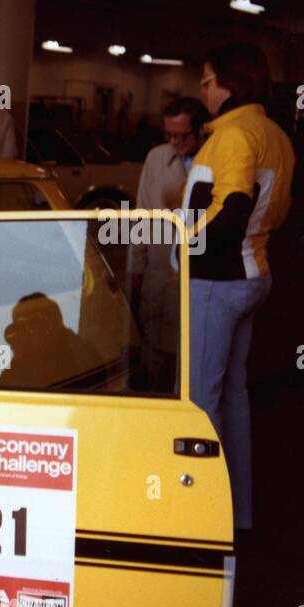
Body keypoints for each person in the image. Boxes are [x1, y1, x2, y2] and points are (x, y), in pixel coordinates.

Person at [183, 42, 295, 530]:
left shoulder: (231, 136)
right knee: (233, 397)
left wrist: (182, 249)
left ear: (230, 84)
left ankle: (203, 523)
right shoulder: (273, 133)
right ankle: (237, 514)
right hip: (252, 275)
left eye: (207, 80)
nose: (202, 90)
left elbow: (230, 211)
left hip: (216, 281)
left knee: (199, 404)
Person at [130, 96, 210, 388]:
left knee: (188, 369)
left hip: (195, 280)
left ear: (202, 130)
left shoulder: (213, 163)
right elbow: (140, 216)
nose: (174, 142)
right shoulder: (156, 159)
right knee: (151, 361)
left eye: (182, 136)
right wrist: (135, 274)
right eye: (169, 135)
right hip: (157, 276)